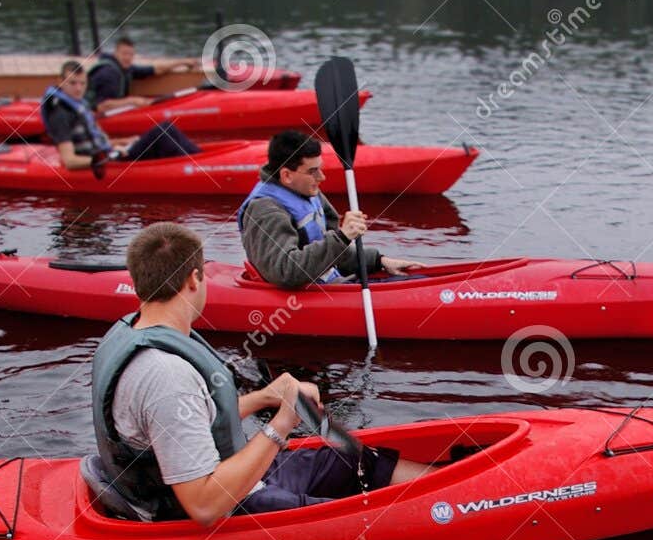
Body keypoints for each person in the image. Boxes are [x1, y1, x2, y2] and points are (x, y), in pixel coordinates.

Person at [90, 222, 431, 524]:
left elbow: (186, 420)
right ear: (194, 279)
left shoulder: (134, 331)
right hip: (224, 504)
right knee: (358, 517)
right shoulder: (165, 374)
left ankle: (447, 487)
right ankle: (445, 512)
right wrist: (281, 423)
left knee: (358, 462)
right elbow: (204, 506)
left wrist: (263, 397)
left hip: (235, 475)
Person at [238, 130, 424, 289]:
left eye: (321, 168)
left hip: (332, 283)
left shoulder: (306, 191)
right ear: (286, 175)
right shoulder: (266, 211)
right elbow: (285, 273)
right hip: (305, 298)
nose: (322, 177)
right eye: (313, 171)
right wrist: (342, 237)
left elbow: (333, 254)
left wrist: (377, 261)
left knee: (420, 279)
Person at [41, 60, 199, 174]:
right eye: (73, 83)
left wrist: (120, 142)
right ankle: (201, 167)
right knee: (161, 132)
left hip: (111, 154)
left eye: (82, 83)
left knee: (168, 128)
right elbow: (69, 161)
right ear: (60, 81)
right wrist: (105, 159)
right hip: (107, 162)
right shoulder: (60, 114)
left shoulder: (78, 104)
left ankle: (199, 159)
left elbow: (95, 141)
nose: (78, 88)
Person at [87, 36, 199, 115]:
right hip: (96, 116)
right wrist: (132, 101)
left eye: (131, 54)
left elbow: (156, 69)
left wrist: (182, 62)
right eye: (124, 54)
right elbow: (101, 106)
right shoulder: (109, 74)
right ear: (115, 53)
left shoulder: (126, 69)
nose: (128, 58)